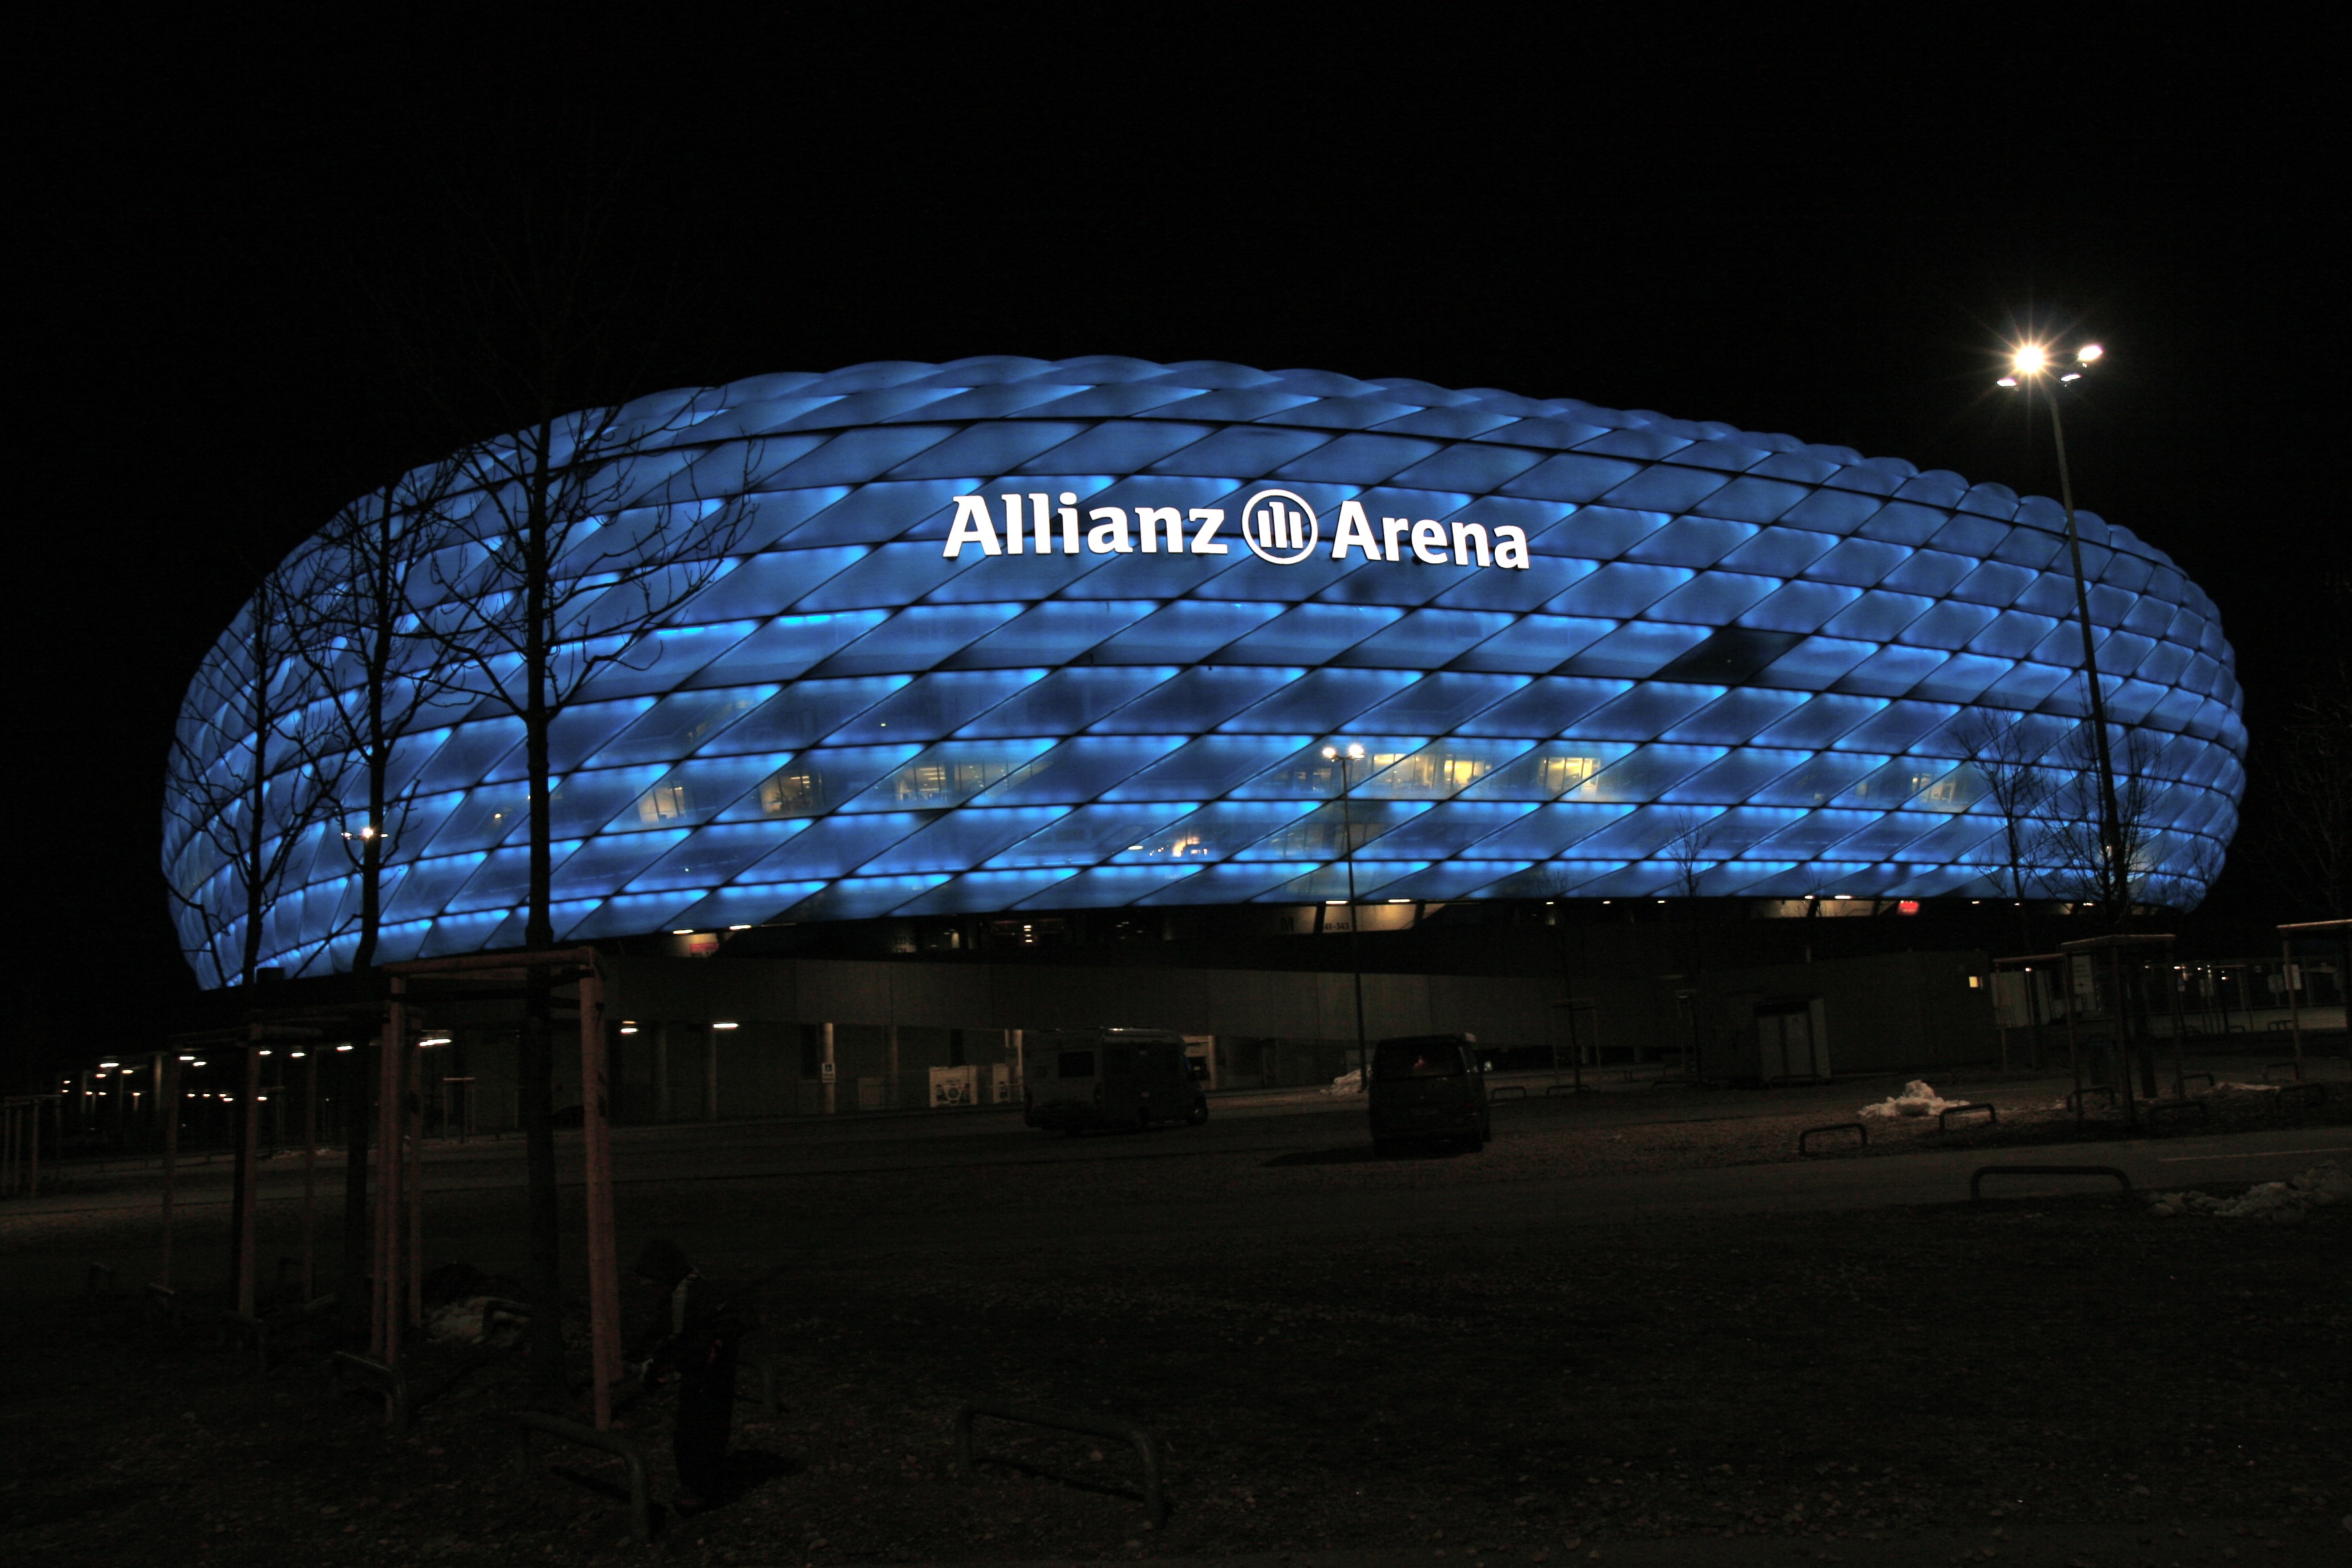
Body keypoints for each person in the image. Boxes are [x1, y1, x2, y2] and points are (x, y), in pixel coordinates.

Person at [627, 1238, 744, 1513]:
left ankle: (705, 1490)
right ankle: (696, 1484)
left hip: (711, 1379)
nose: (652, 1290)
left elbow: (727, 1324)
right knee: (689, 1434)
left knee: (704, 1434)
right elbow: (666, 1334)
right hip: (695, 1376)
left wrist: (710, 1347)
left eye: (653, 1283)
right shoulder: (676, 1298)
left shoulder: (700, 1296)